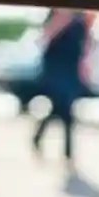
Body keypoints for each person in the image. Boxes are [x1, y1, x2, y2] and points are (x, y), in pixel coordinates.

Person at [32, 9, 90, 164]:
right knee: (63, 111)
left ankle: (60, 149)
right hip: (55, 71)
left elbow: (84, 48)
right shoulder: (56, 16)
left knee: (64, 112)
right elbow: (45, 38)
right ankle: (66, 153)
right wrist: (62, 18)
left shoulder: (80, 20)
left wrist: (84, 70)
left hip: (70, 73)